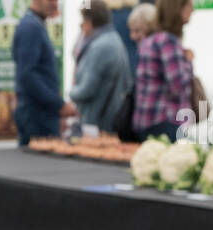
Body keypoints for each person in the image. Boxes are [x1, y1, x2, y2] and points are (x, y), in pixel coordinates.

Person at [12, 0, 76, 147]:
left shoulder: (35, 25)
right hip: (37, 115)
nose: (55, 4)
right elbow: (27, 75)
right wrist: (58, 105)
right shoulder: (31, 28)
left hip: (40, 113)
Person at [133, 0, 193, 141]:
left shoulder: (150, 41)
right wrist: (188, 63)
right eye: (189, 6)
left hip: (146, 121)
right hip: (164, 123)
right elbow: (177, 86)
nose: (193, 10)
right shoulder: (168, 42)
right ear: (178, 9)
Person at [69, 1, 132, 135]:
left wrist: (71, 93)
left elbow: (87, 89)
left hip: (96, 125)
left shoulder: (100, 46)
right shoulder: (113, 40)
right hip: (107, 121)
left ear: (89, 22)